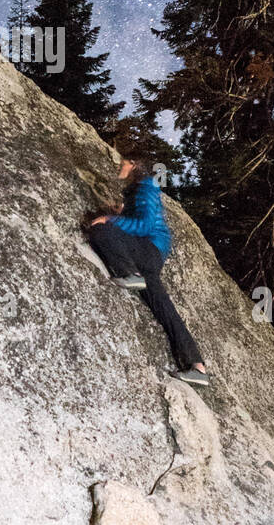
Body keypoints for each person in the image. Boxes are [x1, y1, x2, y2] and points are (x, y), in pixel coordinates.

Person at [85, 156, 209, 386]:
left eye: (123, 162)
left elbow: (145, 226)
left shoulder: (147, 185)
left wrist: (108, 219)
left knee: (100, 230)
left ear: (134, 164)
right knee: (163, 308)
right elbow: (137, 220)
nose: (119, 166)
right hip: (148, 254)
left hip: (149, 250)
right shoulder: (139, 190)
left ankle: (131, 274)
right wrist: (120, 214)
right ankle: (197, 366)